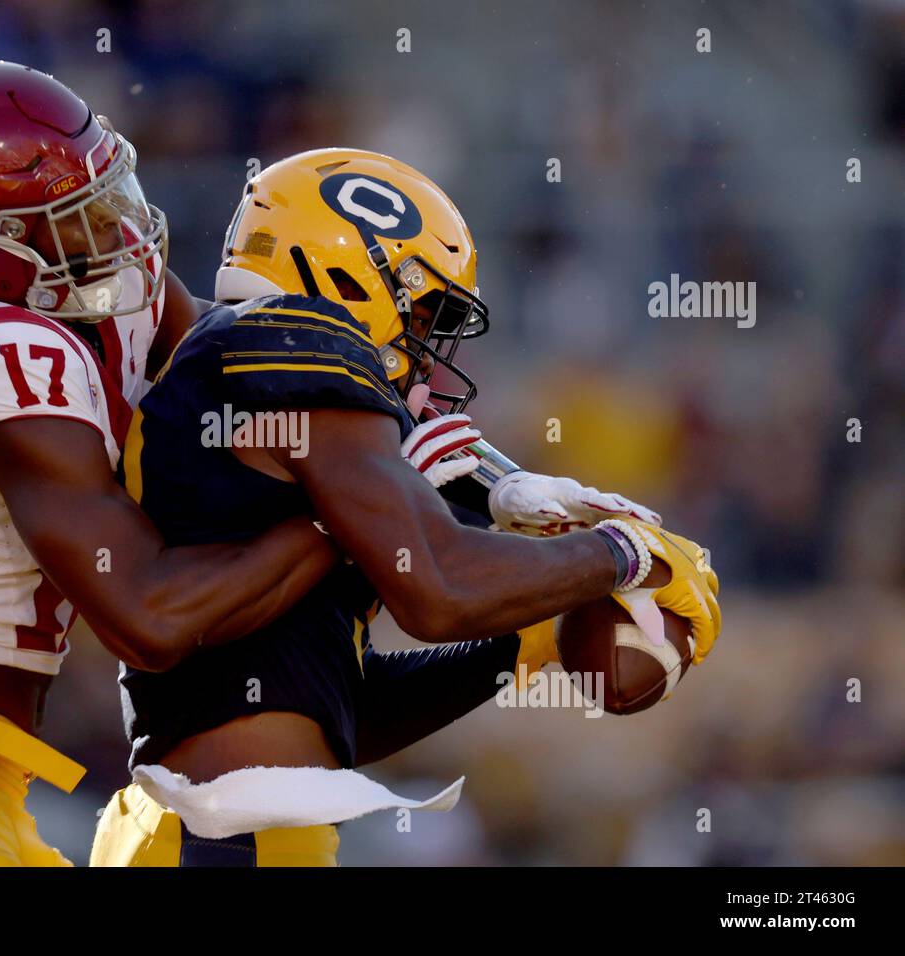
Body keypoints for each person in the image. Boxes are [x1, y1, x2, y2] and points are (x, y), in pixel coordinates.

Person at [0, 62, 342, 867]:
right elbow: (146, 616)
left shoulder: (101, 290)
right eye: (77, 216)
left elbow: (243, 375)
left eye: (111, 193)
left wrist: (392, 414)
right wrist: (338, 520)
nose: (118, 230)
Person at [90, 148, 720, 866]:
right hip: (234, 830)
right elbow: (440, 590)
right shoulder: (290, 338)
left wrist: (529, 639)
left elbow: (338, 711)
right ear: (345, 272)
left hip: (211, 827)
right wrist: (623, 553)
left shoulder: (242, 379)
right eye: (424, 312)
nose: (426, 351)